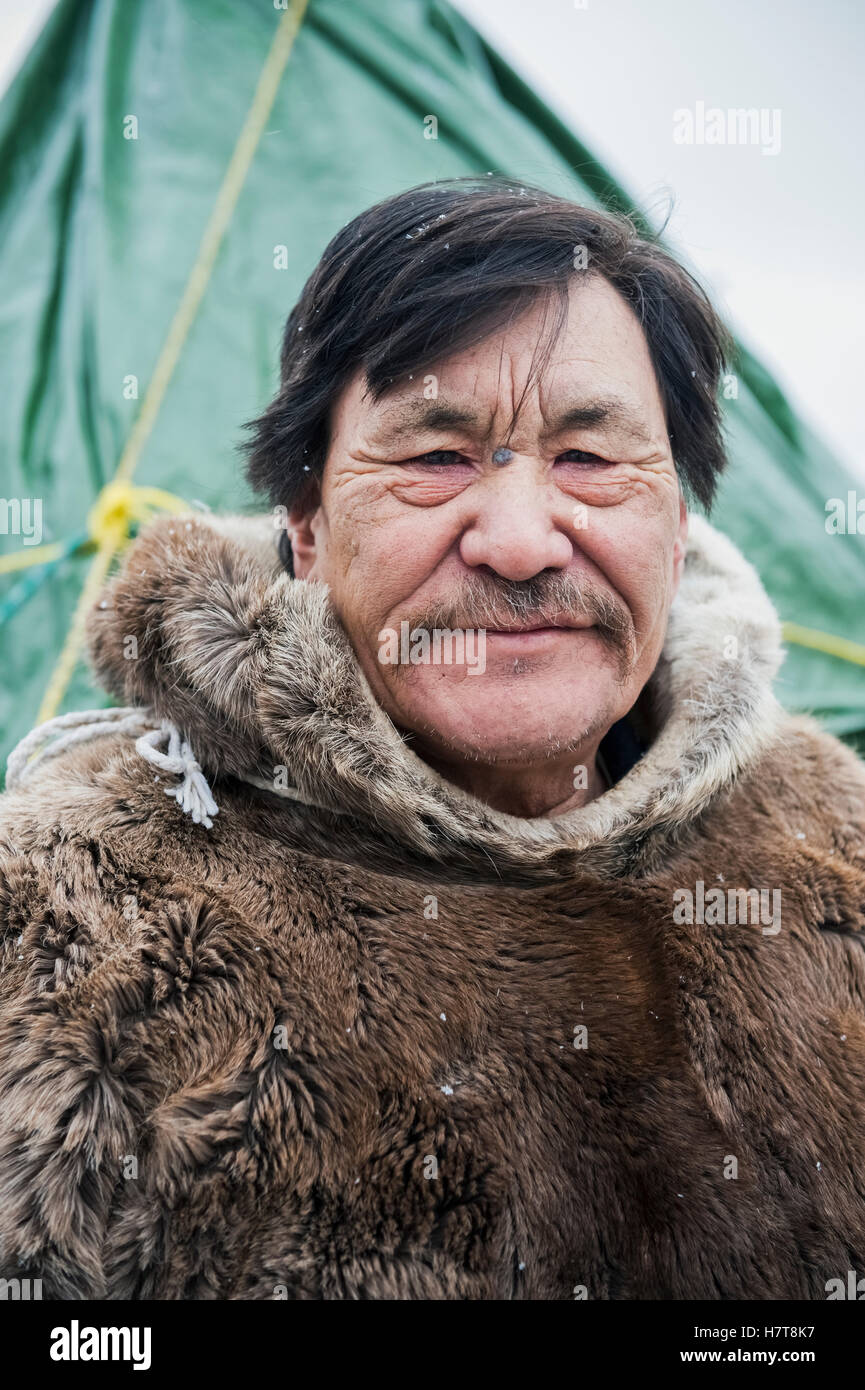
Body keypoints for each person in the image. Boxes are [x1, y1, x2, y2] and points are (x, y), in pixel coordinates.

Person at [2, 178, 863, 1300]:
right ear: (306, 525)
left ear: (680, 518)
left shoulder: (833, 845)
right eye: (437, 457)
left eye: (591, 459)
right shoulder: (62, 917)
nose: (517, 542)